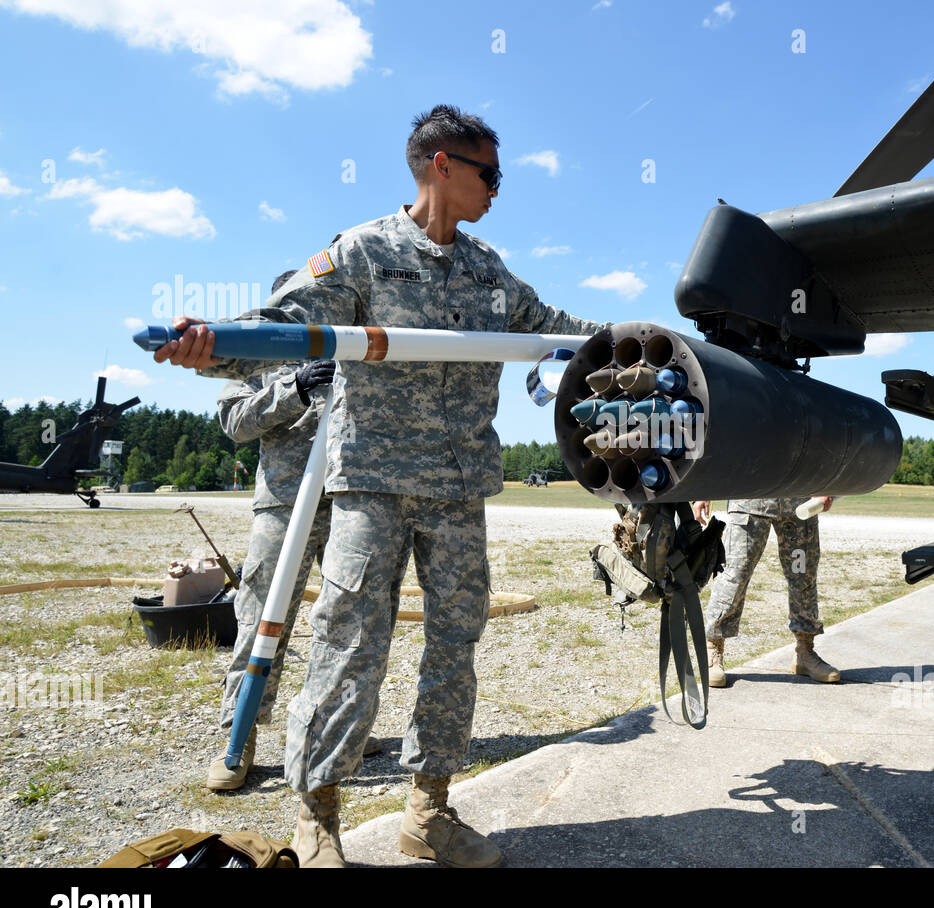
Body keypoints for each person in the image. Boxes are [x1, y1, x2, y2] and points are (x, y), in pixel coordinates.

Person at [154, 105, 604, 867]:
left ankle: (428, 810)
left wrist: (649, 344)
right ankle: (316, 813)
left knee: (455, 644)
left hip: (460, 490)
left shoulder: (490, 271)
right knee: (349, 644)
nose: (498, 188)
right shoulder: (363, 253)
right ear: (443, 166)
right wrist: (210, 346)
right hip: (373, 487)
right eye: (489, 173)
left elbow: (561, 327)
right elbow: (284, 320)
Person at [205, 273, 394, 792]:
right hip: (285, 501)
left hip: (351, 497)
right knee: (264, 616)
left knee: (350, 622)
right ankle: (236, 742)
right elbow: (235, 421)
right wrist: (294, 388)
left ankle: (339, 731)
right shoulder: (259, 346)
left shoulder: (354, 338)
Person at [691, 496, 839, 688]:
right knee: (735, 575)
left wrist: (828, 488)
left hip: (801, 501)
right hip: (750, 496)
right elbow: (720, 463)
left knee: (803, 577)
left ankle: (805, 652)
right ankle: (712, 650)